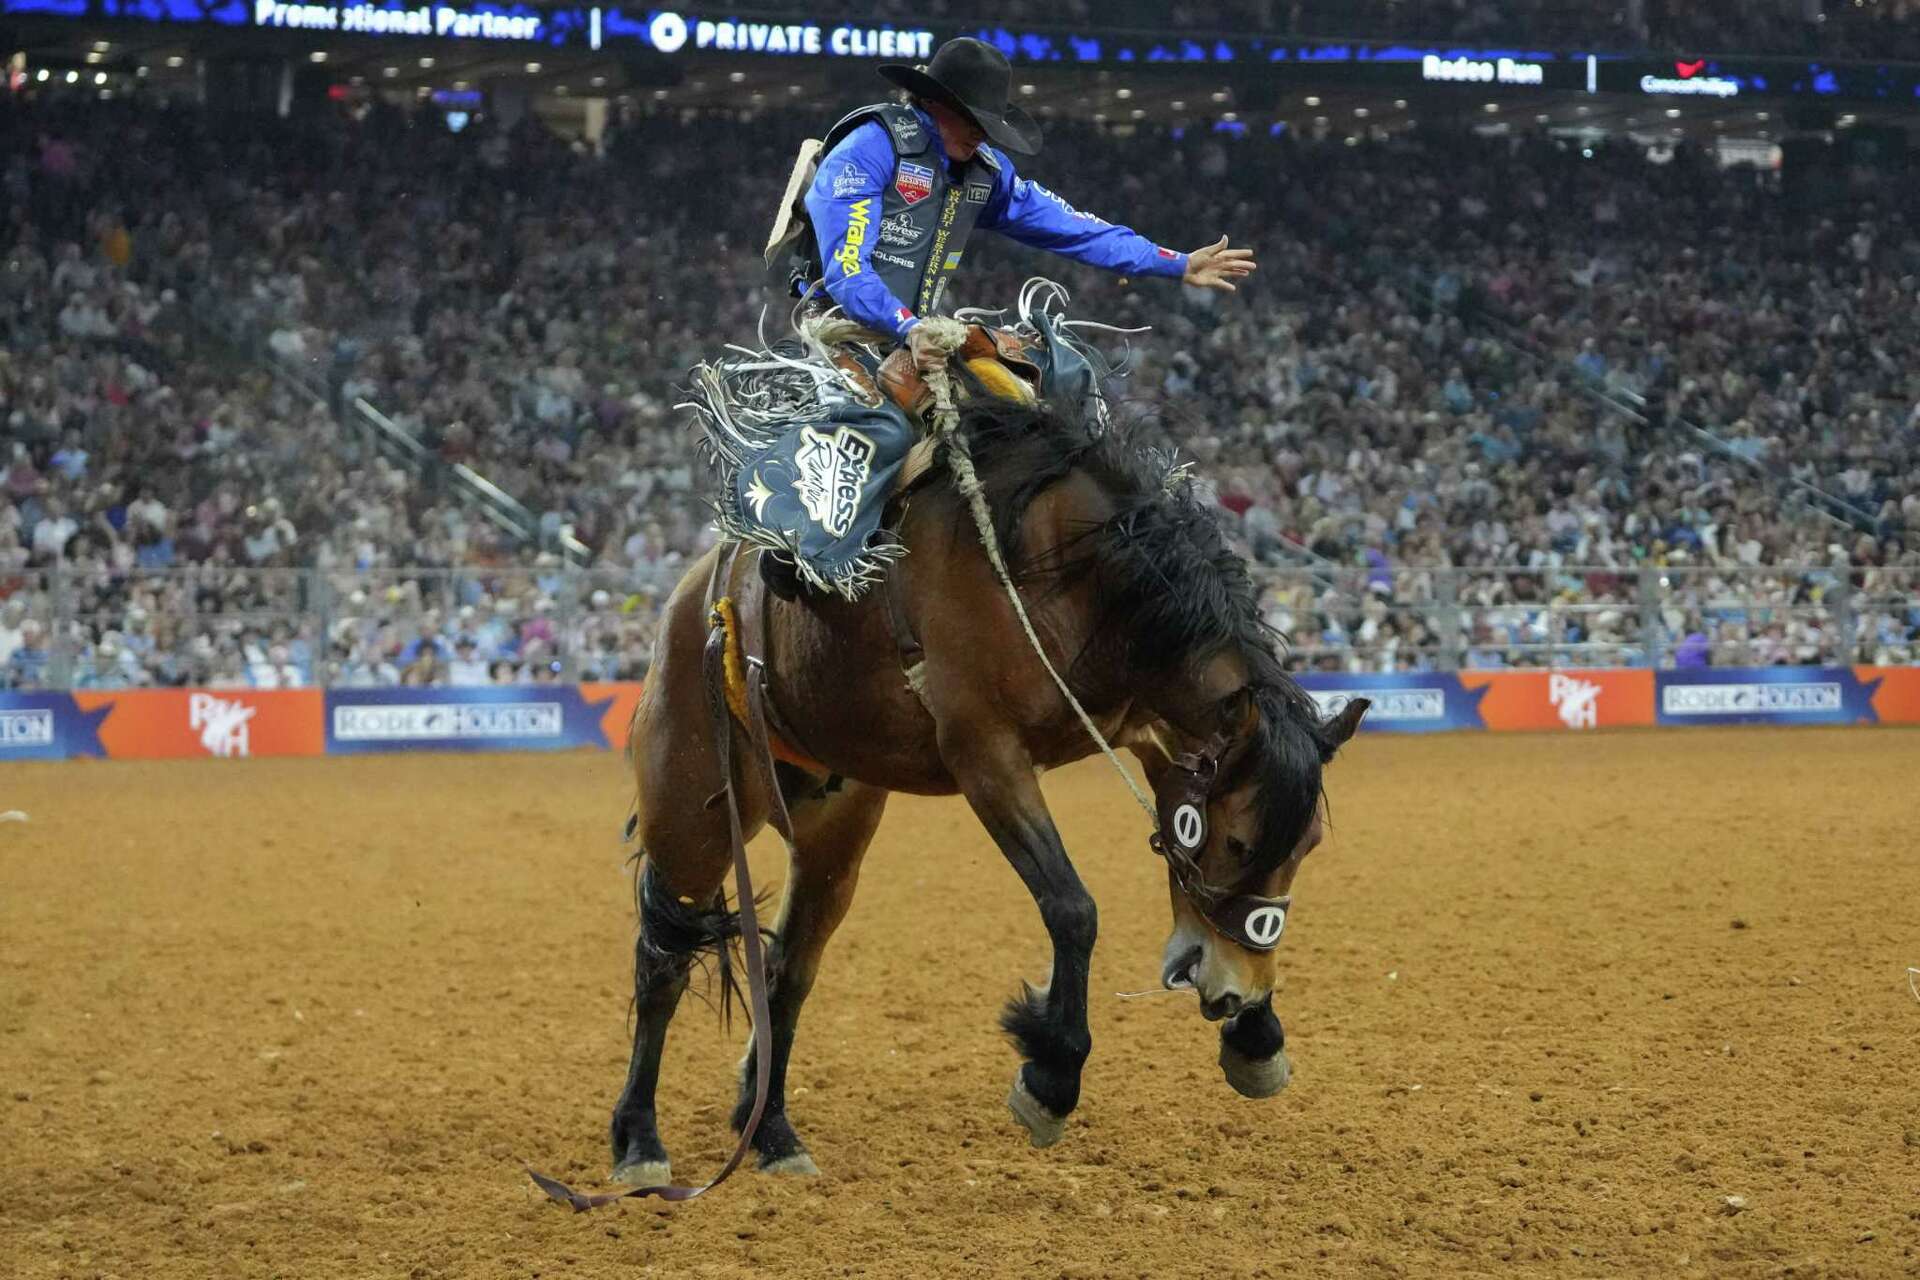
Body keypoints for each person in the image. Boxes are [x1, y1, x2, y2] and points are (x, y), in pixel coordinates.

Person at [782, 37, 1256, 371]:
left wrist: (1173, 263)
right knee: (872, 442)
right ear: (935, 104)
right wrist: (908, 329)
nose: (983, 134)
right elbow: (847, 269)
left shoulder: (984, 172)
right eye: (974, 120)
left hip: (915, 342)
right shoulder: (869, 148)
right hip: (839, 342)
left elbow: (1070, 226)